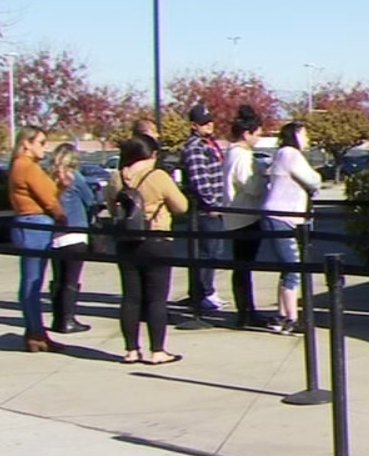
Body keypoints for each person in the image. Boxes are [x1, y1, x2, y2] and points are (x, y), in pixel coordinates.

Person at [104, 135, 188, 365]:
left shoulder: (116, 177)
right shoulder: (157, 176)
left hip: (126, 241)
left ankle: (131, 350)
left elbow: (111, 209)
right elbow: (181, 206)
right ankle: (157, 350)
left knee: (130, 297)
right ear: (151, 154)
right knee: (156, 299)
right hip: (156, 238)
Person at [257, 122, 321, 334]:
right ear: (295, 135)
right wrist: (316, 182)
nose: (308, 139)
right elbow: (313, 179)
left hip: (278, 216)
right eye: (304, 134)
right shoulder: (291, 154)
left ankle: (282, 315)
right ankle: (291, 318)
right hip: (283, 216)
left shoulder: (281, 153)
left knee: (287, 268)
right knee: (293, 268)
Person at [7, 126, 66, 353]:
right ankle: (35, 333)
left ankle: (34, 331)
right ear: (27, 143)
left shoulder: (18, 165)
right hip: (35, 223)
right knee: (32, 281)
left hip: (27, 223)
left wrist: (59, 187)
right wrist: (61, 216)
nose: (45, 147)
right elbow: (48, 198)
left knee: (31, 279)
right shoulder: (27, 166)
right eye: (41, 142)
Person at [222, 105, 267, 329]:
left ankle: (246, 310)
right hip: (244, 216)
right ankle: (245, 312)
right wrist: (262, 174)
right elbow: (252, 187)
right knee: (243, 266)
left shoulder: (232, 154)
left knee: (242, 266)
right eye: (257, 134)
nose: (259, 138)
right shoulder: (242, 157)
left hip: (237, 215)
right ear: (247, 133)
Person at [181, 104, 227, 314]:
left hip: (215, 207)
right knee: (207, 253)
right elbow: (200, 180)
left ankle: (202, 291)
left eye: (210, 121)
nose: (209, 125)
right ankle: (204, 293)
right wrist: (211, 204)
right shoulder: (195, 147)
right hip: (205, 210)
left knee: (213, 252)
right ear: (193, 125)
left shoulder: (210, 143)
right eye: (203, 123)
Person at [47, 144, 95, 334]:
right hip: (75, 232)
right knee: (71, 279)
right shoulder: (75, 177)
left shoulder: (49, 178)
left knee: (58, 278)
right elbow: (90, 200)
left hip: (54, 233)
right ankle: (68, 319)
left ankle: (58, 318)